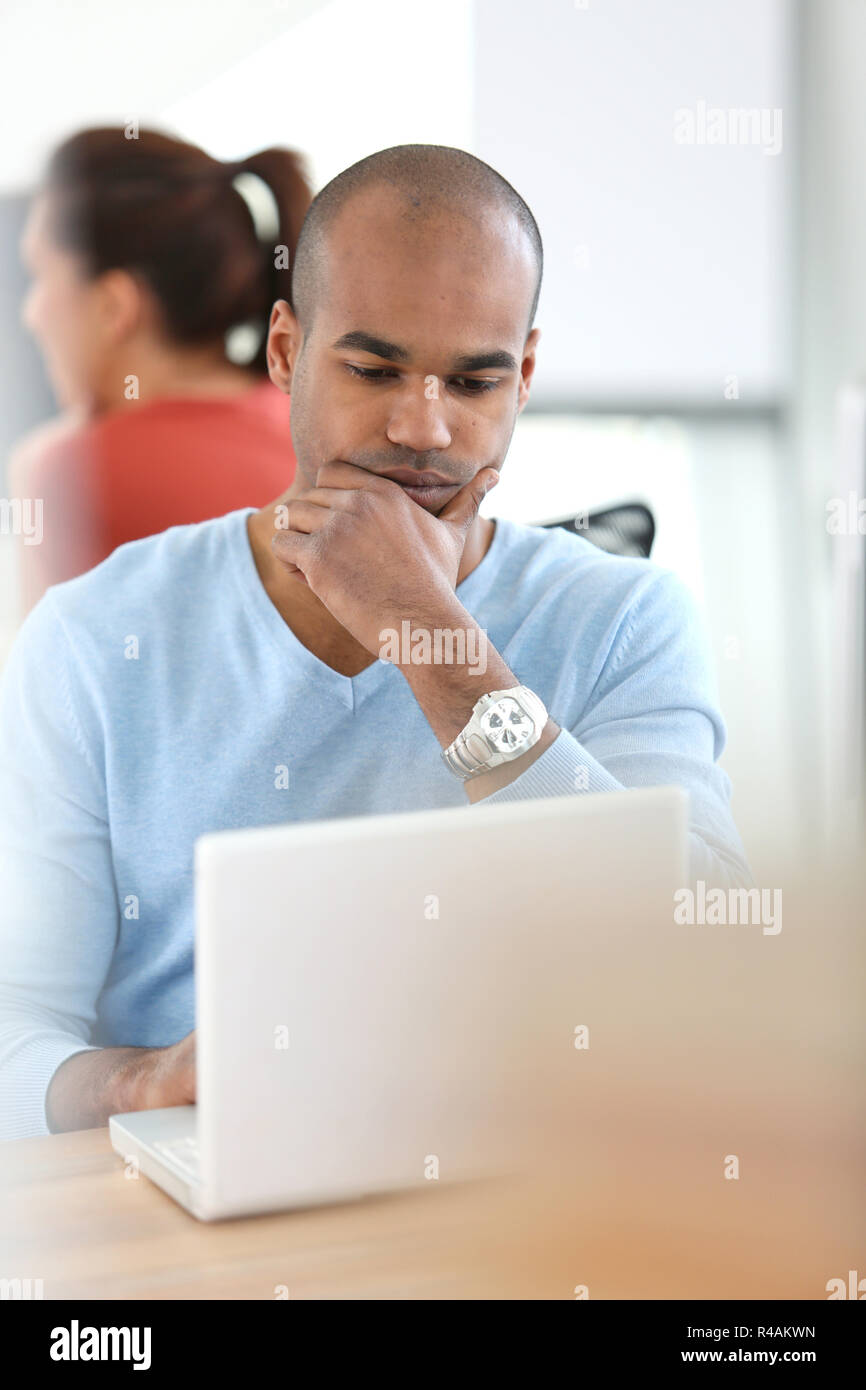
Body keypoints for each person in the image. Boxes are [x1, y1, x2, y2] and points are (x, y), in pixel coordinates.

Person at [0, 144, 752, 1141]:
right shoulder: (95, 638)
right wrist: (137, 1084)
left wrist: (433, 641)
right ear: (284, 352)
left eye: (474, 383)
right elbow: (17, 1035)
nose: (424, 427)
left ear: (523, 376)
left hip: (523, 1199)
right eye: (372, 368)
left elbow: (708, 985)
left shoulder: (626, 623)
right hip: (190, 1221)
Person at [10, 126, 312, 613]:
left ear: (113, 306)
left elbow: (47, 686)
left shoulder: (67, 472)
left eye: (42, 276)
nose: (32, 312)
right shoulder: (310, 423)